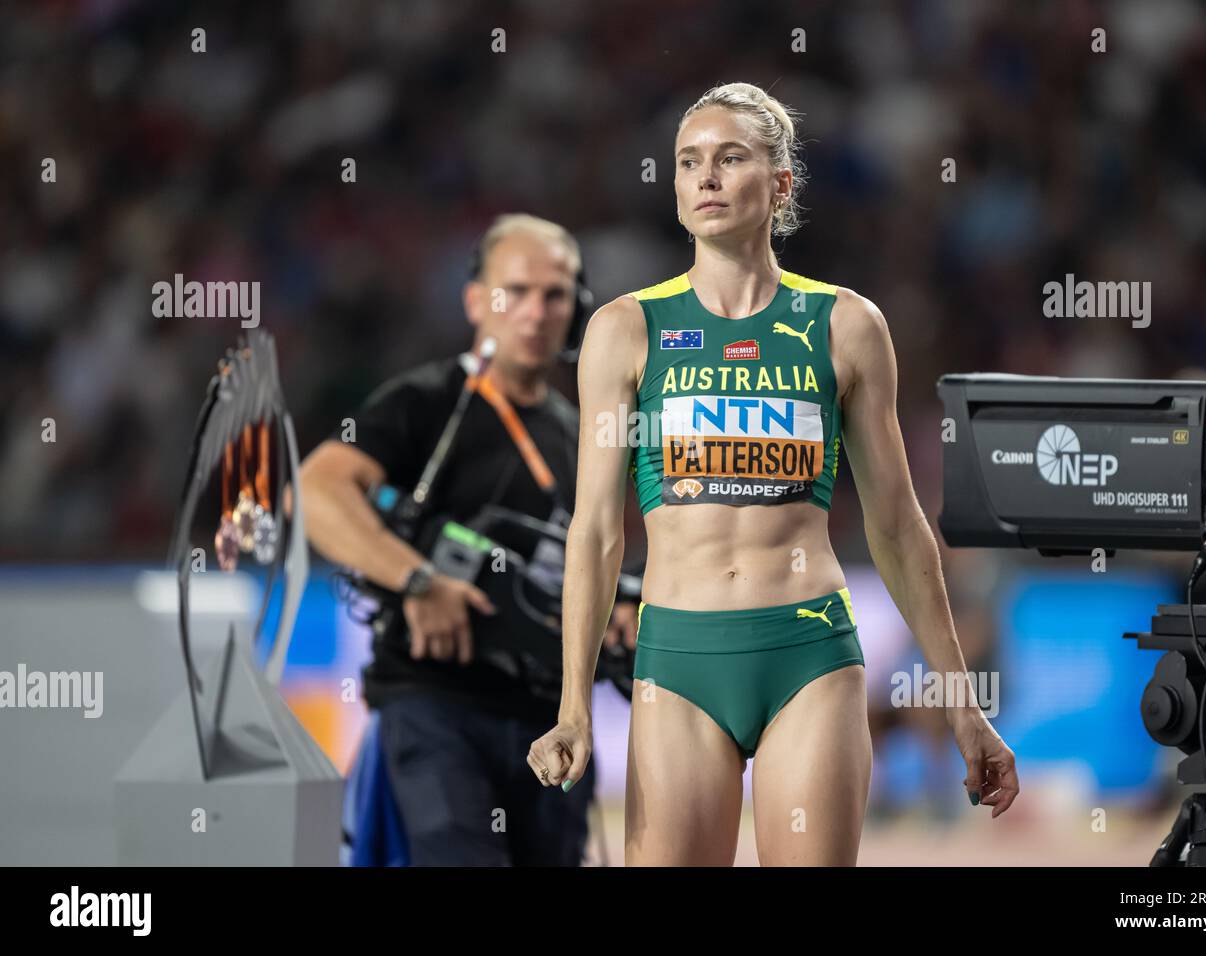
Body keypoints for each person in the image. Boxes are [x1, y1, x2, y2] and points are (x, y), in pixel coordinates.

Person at [526, 83, 1020, 865]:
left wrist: (962, 706)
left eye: (730, 158)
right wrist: (573, 706)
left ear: (781, 183)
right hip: (677, 663)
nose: (706, 178)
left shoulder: (846, 325)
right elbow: (592, 531)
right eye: (690, 163)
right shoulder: (626, 330)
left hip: (809, 655)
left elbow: (896, 526)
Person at [301, 214, 638, 865]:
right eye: (516, 291)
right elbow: (316, 491)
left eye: (556, 295)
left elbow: (590, 562)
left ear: (578, 310)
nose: (536, 312)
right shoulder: (426, 404)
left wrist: (612, 617)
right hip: (437, 706)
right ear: (475, 301)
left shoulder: (580, 434)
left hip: (548, 719)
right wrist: (416, 580)